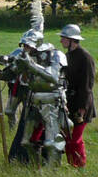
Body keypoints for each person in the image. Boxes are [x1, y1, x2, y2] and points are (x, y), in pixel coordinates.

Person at [14, 26, 68, 166]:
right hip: (34, 100)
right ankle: (35, 166)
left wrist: (31, 66)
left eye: (28, 45)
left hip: (52, 100)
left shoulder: (56, 55)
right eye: (24, 45)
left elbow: (53, 77)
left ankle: (52, 170)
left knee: (51, 142)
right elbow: (14, 72)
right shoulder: (29, 57)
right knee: (26, 141)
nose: (25, 48)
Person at [59, 23, 95, 168]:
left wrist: (82, 107)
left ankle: (80, 166)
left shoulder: (85, 57)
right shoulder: (66, 56)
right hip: (69, 102)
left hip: (81, 104)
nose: (61, 40)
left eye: (63, 38)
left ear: (72, 39)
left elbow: (87, 85)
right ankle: (71, 165)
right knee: (67, 137)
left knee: (75, 139)